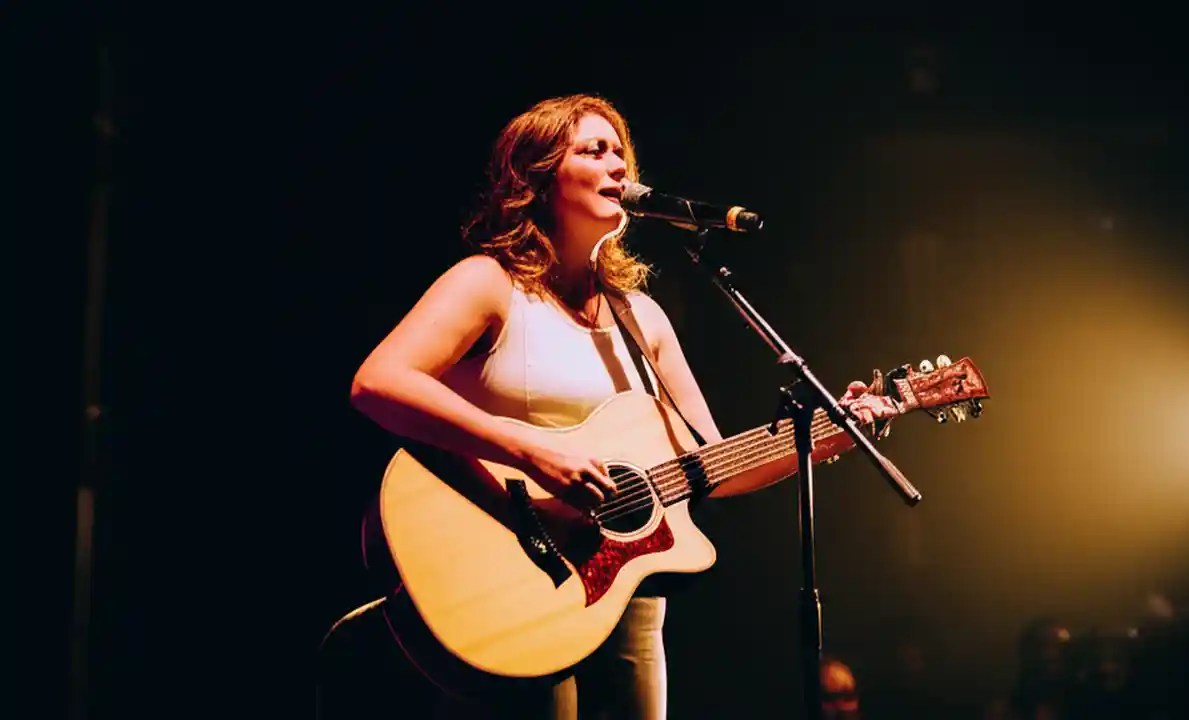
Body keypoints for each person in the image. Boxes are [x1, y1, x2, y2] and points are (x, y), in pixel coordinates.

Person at [315, 93, 902, 720]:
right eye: (594, 150)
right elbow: (378, 381)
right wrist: (531, 453)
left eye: (621, 151)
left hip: (625, 594)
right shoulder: (490, 284)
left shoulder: (639, 316)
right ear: (537, 175)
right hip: (505, 576)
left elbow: (710, 462)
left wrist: (831, 433)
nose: (619, 166)